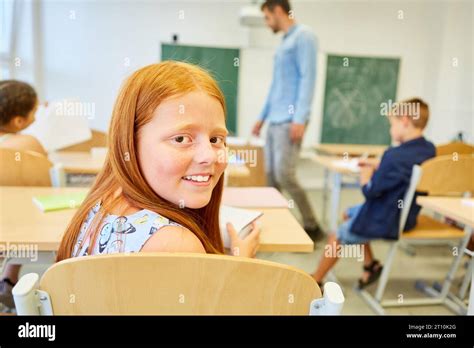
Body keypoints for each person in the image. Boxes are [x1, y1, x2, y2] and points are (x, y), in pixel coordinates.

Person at [57, 61, 260, 262]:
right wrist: (241, 263)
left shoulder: (105, 198)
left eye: (216, 139)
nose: (209, 156)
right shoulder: (177, 245)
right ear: (130, 143)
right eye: (181, 139)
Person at [311, 98, 436, 288]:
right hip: (408, 214)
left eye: (391, 124)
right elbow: (406, 168)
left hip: (387, 218)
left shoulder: (393, 156)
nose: (390, 129)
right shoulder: (429, 150)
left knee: (337, 235)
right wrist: (380, 165)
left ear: (404, 121)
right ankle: (370, 265)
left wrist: (365, 176)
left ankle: (315, 280)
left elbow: (370, 192)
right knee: (348, 213)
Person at [251, 0, 323, 241]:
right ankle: (273, 223)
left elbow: (308, 78)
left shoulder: (305, 36)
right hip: (275, 119)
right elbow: (276, 86)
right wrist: (261, 117)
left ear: (278, 10)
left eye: (266, 17)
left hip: (291, 120)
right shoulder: (284, 42)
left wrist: (300, 118)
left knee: (285, 175)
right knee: (270, 176)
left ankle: (312, 225)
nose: (266, 22)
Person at [0, 80, 47, 309]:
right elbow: (46, 179)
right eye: (35, 113)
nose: (36, 118)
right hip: (24, 221)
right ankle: (9, 278)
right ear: (19, 121)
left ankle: (7, 279)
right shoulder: (27, 143)